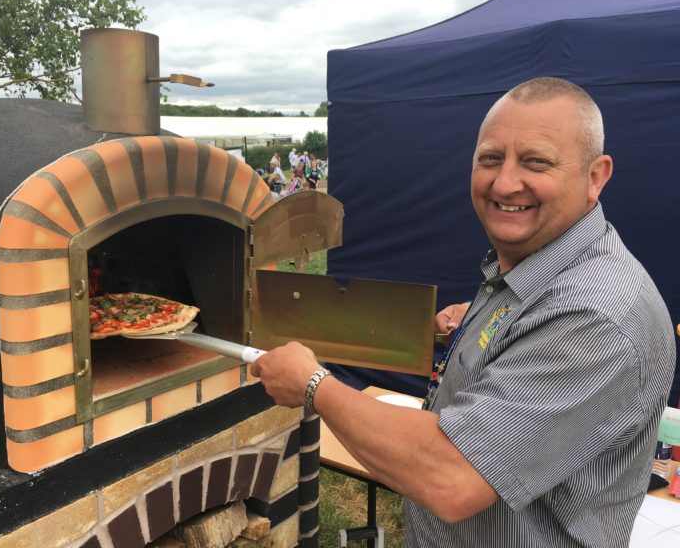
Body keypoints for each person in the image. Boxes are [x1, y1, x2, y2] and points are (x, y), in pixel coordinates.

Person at [250, 77, 676, 547]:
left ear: (595, 176)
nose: (505, 181)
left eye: (536, 161)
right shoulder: (536, 267)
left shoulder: (598, 316)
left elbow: (451, 477)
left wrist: (313, 385)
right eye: (491, 159)